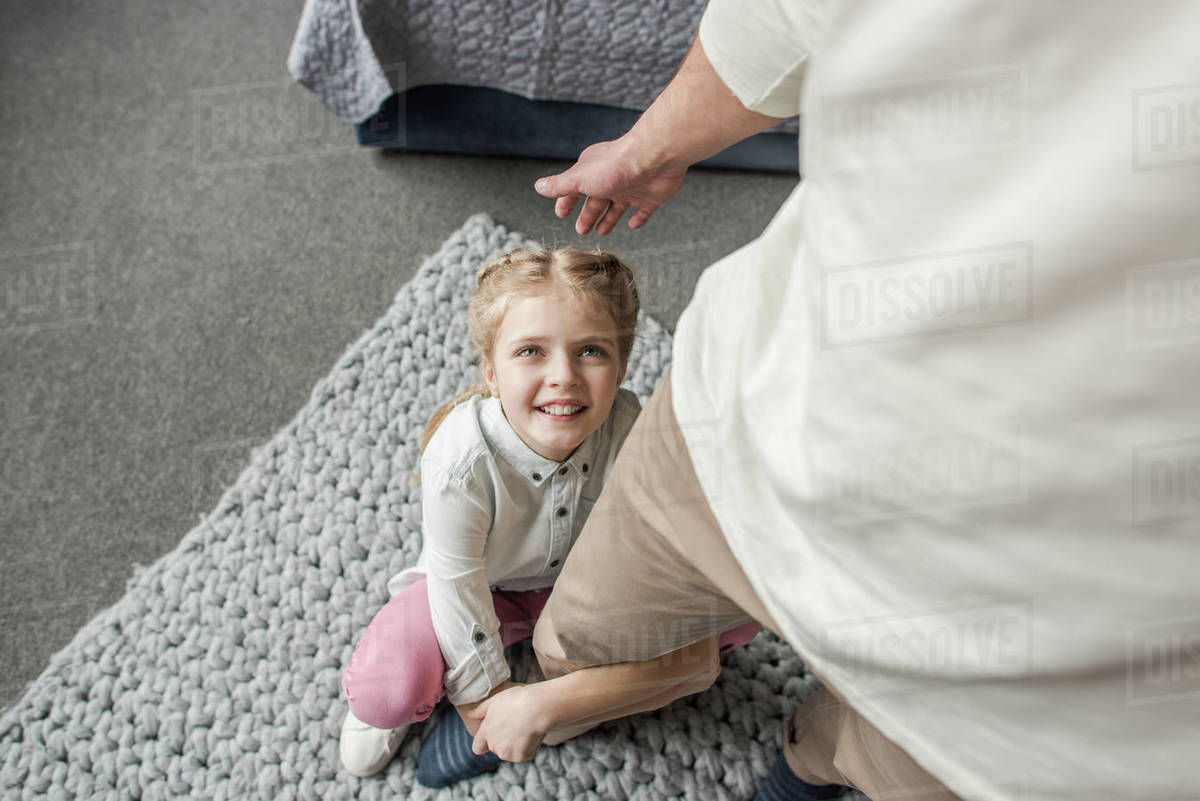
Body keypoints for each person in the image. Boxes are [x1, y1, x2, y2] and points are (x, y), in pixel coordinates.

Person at [491, 2, 1200, 800]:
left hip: (1053, 674)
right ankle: (570, 688)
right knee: (593, 628)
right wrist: (648, 151)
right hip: (760, 426)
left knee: (877, 754)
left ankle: (807, 760)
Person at [337, 246, 760, 786]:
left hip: (585, 594)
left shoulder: (633, 430)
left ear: (621, 368)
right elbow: (456, 580)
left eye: (591, 351)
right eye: (531, 351)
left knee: (736, 614)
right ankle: (492, 702)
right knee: (385, 691)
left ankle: (553, 703)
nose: (563, 376)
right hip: (488, 587)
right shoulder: (460, 459)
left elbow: (665, 550)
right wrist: (485, 698)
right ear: (492, 372)